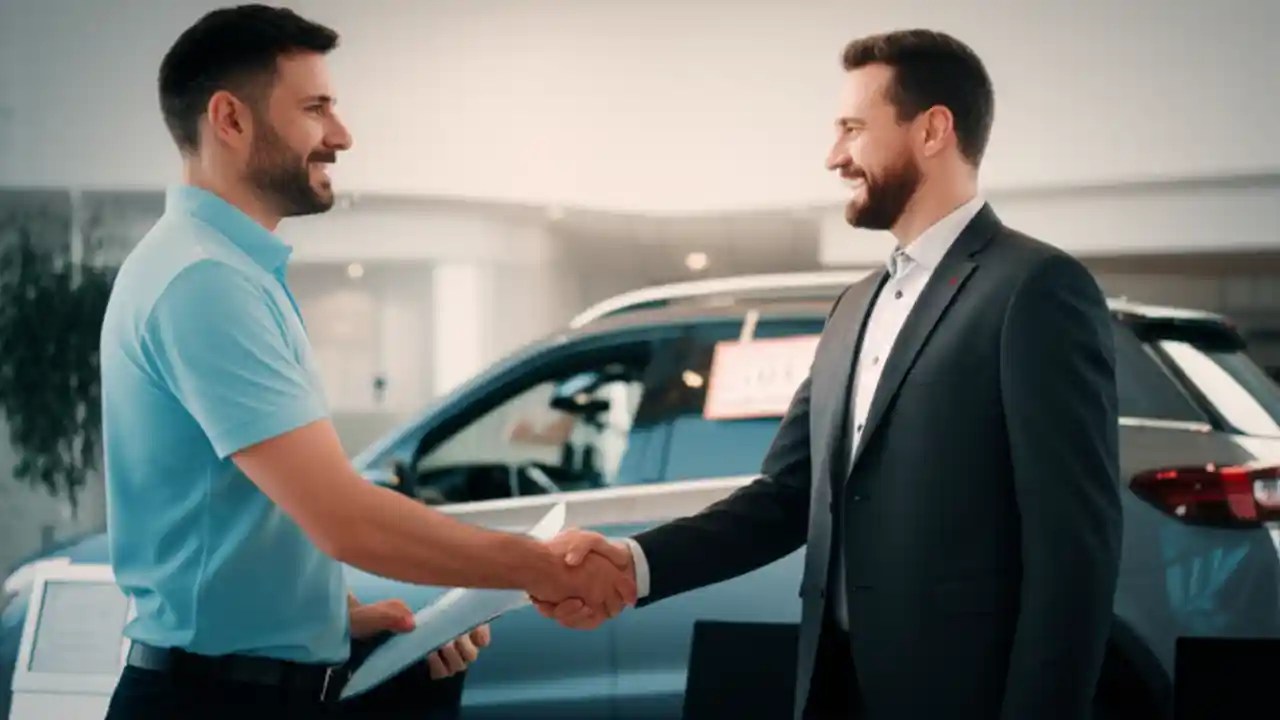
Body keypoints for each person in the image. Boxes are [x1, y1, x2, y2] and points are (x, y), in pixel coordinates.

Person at [541, 28, 1123, 720]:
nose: (833, 157)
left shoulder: (1036, 290)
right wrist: (634, 564)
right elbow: (785, 497)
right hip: (834, 688)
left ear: (933, 129)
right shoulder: (854, 307)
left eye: (853, 129)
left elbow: (1074, 553)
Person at [100, 5, 634, 719]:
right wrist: (539, 569)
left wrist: (330, 620)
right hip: (213, 700)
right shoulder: (205, 281)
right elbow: (347, 520)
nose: (341, 135)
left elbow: (238, 519)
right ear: (229, 119)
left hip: (243, 686)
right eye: (316, 108)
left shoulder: (223, 268)